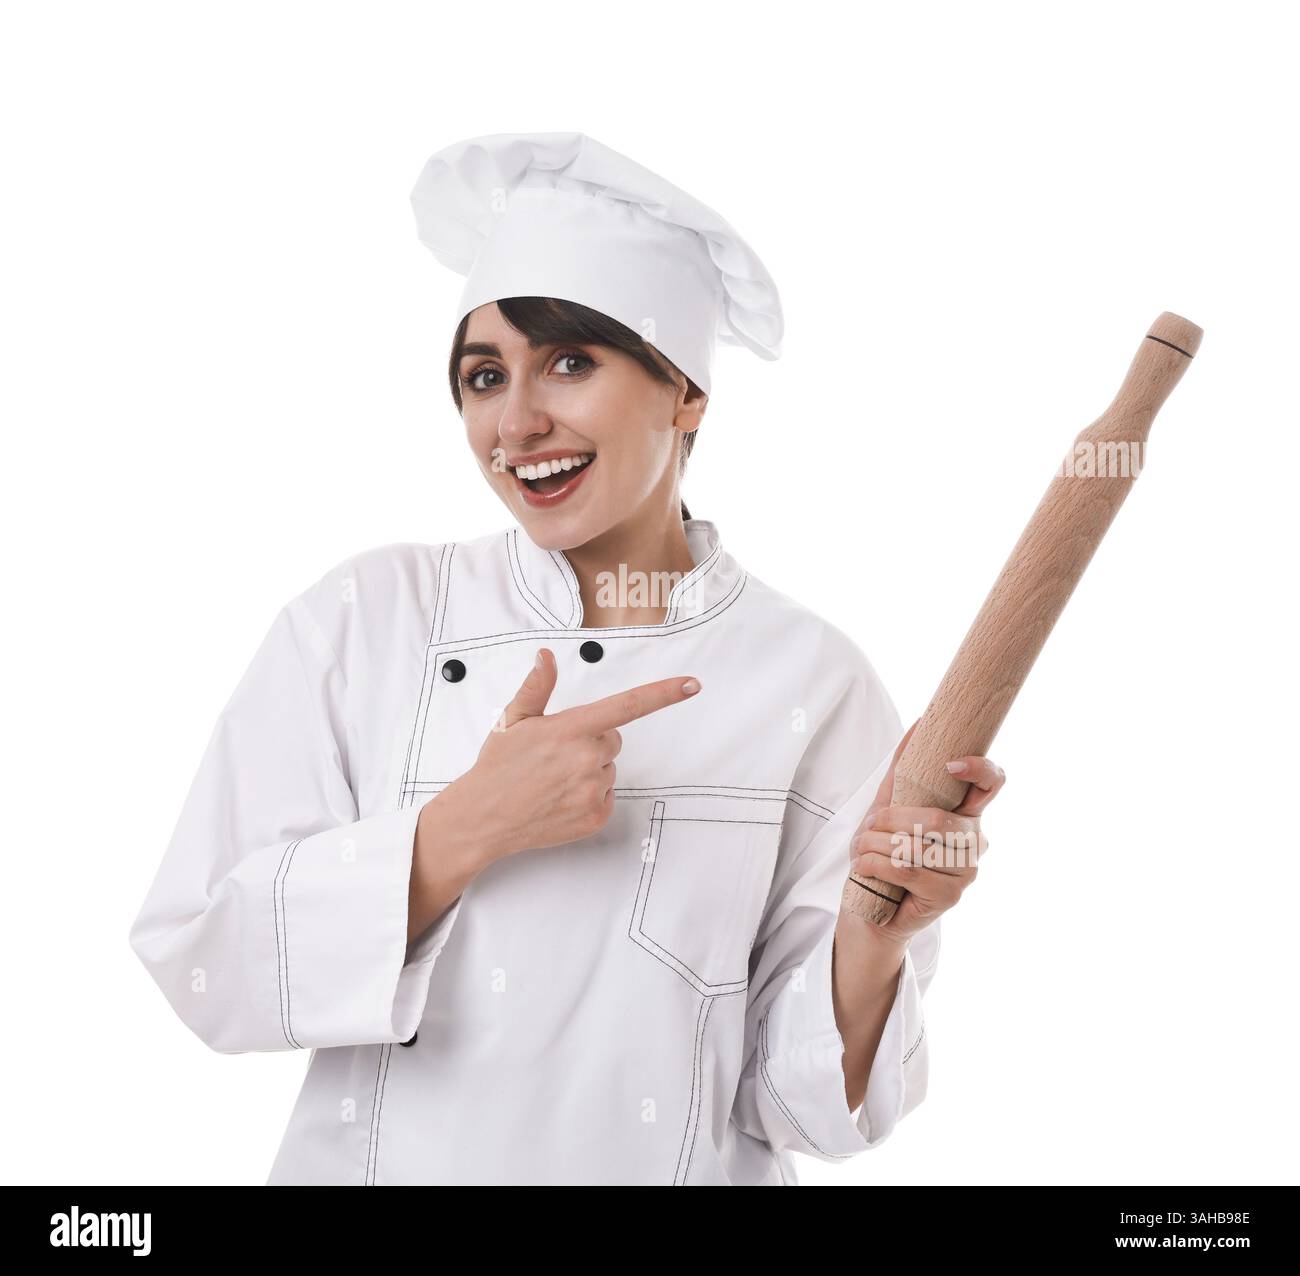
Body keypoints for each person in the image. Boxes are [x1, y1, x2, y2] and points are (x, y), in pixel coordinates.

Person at [128, 131, 1004, 1186]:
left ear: (685, 392)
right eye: (482, 376)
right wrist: (459, 832)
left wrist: (877, 943)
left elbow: (804, 1109)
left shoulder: (809, 682)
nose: (516, 421)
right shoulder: (366, 619)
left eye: (570, 362)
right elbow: (203, 956)